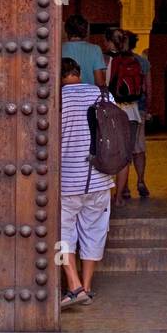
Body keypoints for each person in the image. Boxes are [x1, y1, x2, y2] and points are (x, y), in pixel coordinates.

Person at [59, 57, 115, 307]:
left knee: (62, 233)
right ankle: (88, 286)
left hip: (67, 180)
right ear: (78, 73)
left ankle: (74, 285)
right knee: (94, 231)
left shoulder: (57, 98)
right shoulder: (102, 95)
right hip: (100, 178)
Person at [104, 27, 144, 206]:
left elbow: (102, 85)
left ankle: (108, 195)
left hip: (113, 112)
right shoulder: (134, 60)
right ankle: (120, 196)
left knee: (109, 153)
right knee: (125, 156)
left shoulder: (107, 60)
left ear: (109, 42)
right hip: (133, 112)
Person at [126, 30, 151, 199]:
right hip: (138, 107)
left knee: (123, 148)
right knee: (139, 147)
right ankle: (141, 181)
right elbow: (149, 88)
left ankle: (124, 187)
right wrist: (148, 109)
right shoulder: (143, 62)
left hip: (119, 109)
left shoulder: (113, 60)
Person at [61, 11, 106, 87]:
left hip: (67, 96)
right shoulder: (95, 49)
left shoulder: (59, 50)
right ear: (85, 31)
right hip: (90, 97)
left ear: (66, 31)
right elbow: (99, 82)